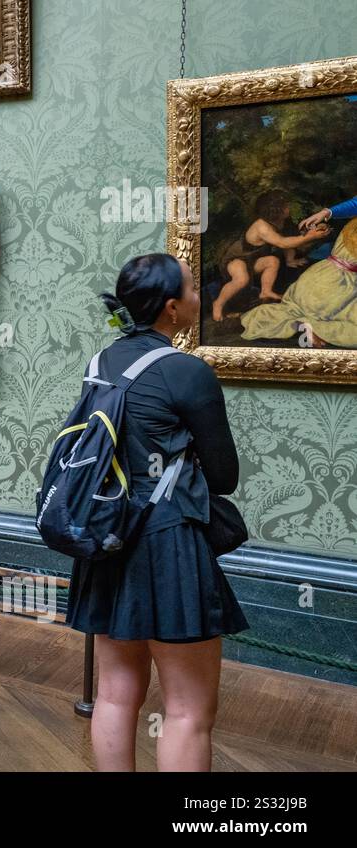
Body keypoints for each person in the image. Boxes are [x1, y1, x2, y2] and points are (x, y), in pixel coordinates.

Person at [67, 253, 247, 772]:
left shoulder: (101, 362)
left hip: (106, 535)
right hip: (169, 542)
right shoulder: (188, 372)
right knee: (188, 711)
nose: (199, 294)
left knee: (115, 695)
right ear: (172, 308)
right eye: (193, 288)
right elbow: (224, 477)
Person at [242, 200, 357, 347]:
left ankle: (311, 327)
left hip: (329, 283)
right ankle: (312, 327)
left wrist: (326, 212)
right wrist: (325, 213)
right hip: (334, 287)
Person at [210, 190, 330, 322]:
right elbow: (283, 243)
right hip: (237, 258)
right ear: (276, 209)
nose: (288, 207)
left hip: (253, 259)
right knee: (241, 279)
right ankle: (218, 304)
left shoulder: (281, 221)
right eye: (286, 206)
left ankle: (265, 291)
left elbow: (288, 238)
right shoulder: (262, 226)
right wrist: (310, 236)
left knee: (272, 261)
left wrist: (290, 259)